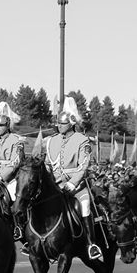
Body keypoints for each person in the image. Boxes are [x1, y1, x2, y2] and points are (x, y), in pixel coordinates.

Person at [43, 98, 103, 261]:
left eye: (62, 123)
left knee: (84, 206)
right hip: (55, 184)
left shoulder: (82, 140)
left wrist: (71, 183)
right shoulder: (52, 141)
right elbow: (48, 163)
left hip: (76, 186)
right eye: (58, 123)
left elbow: (83, 166)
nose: (59, 126)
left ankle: (91, 244)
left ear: (71, 123)